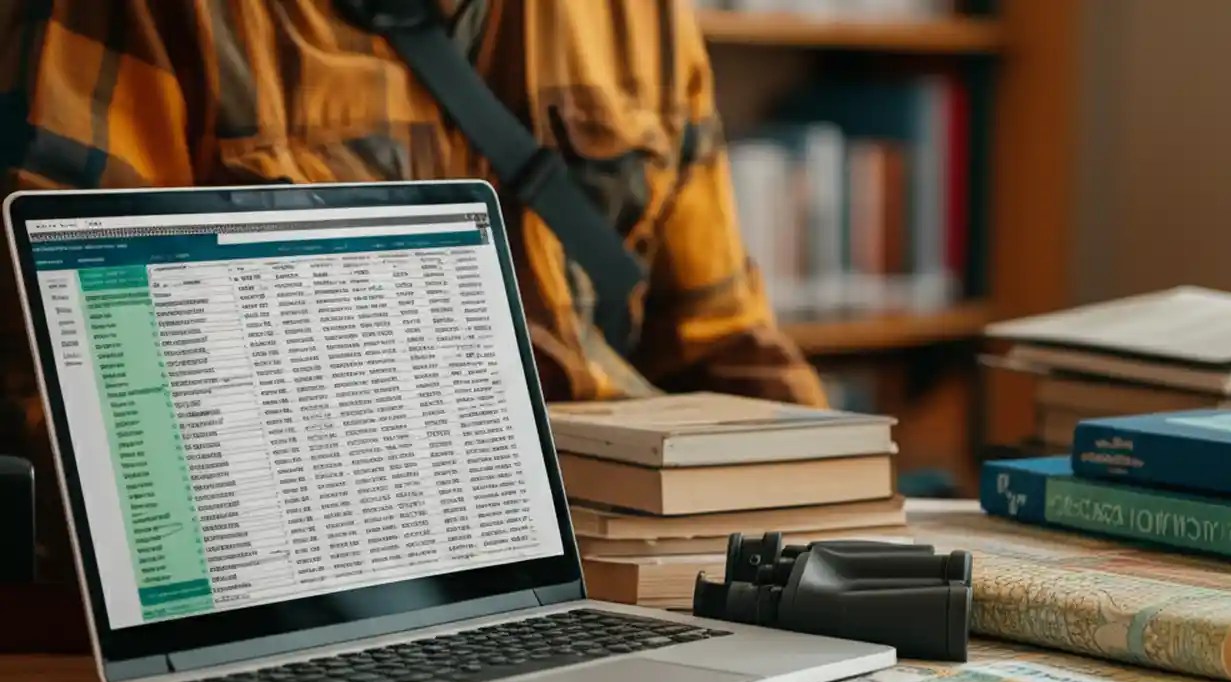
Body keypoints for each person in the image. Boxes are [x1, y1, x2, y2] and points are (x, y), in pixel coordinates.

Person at [0, 0, 826, 445]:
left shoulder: (641, 18)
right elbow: (68, 389)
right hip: (330, 579)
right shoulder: (140, 11)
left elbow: (727, 350)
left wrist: (843, 545)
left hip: (626, 574)